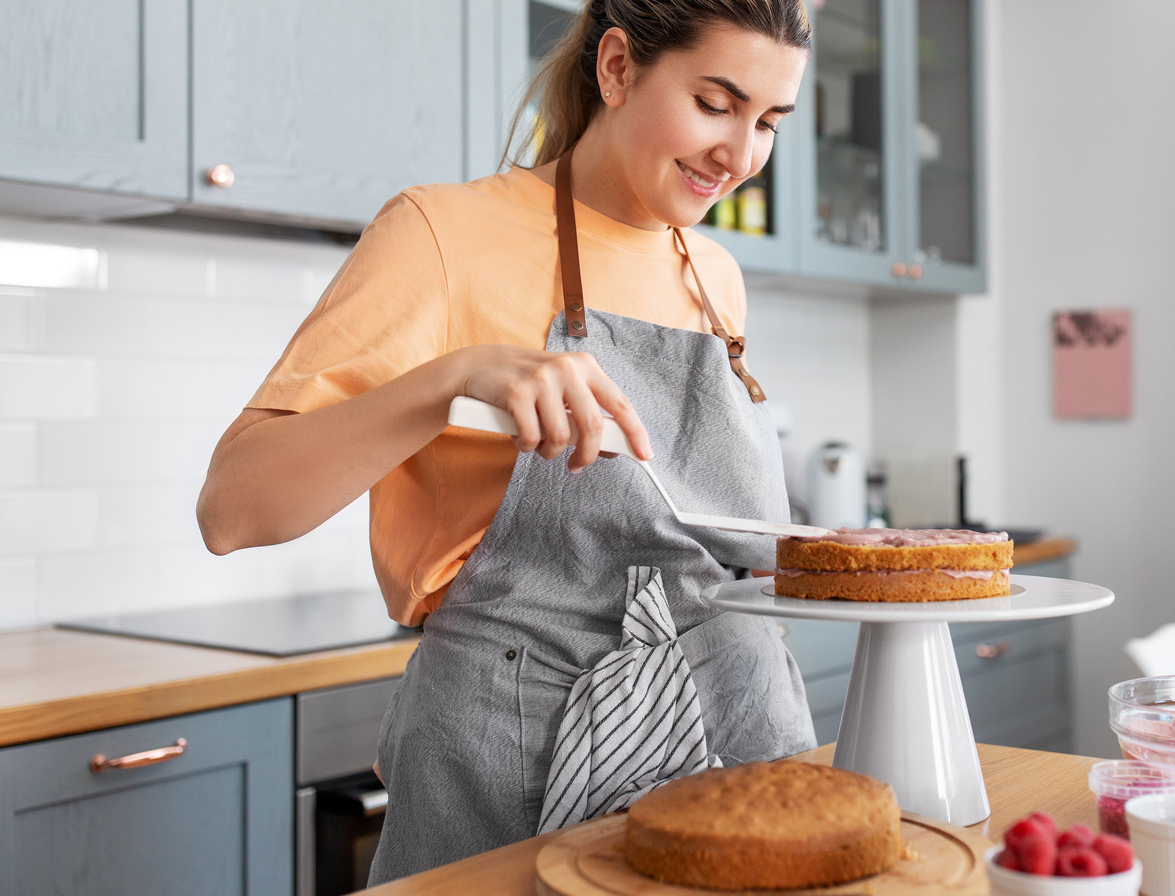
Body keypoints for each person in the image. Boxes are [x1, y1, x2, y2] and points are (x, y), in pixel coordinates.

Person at [196, 0, 817, 883]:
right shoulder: (441, 234)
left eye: (768, 123)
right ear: (616, 68)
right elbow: (233, 509)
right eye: (716, 105)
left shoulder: (713, 273)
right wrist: (453, 376)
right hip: (514, 748)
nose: (741, 155)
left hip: (727, 732)